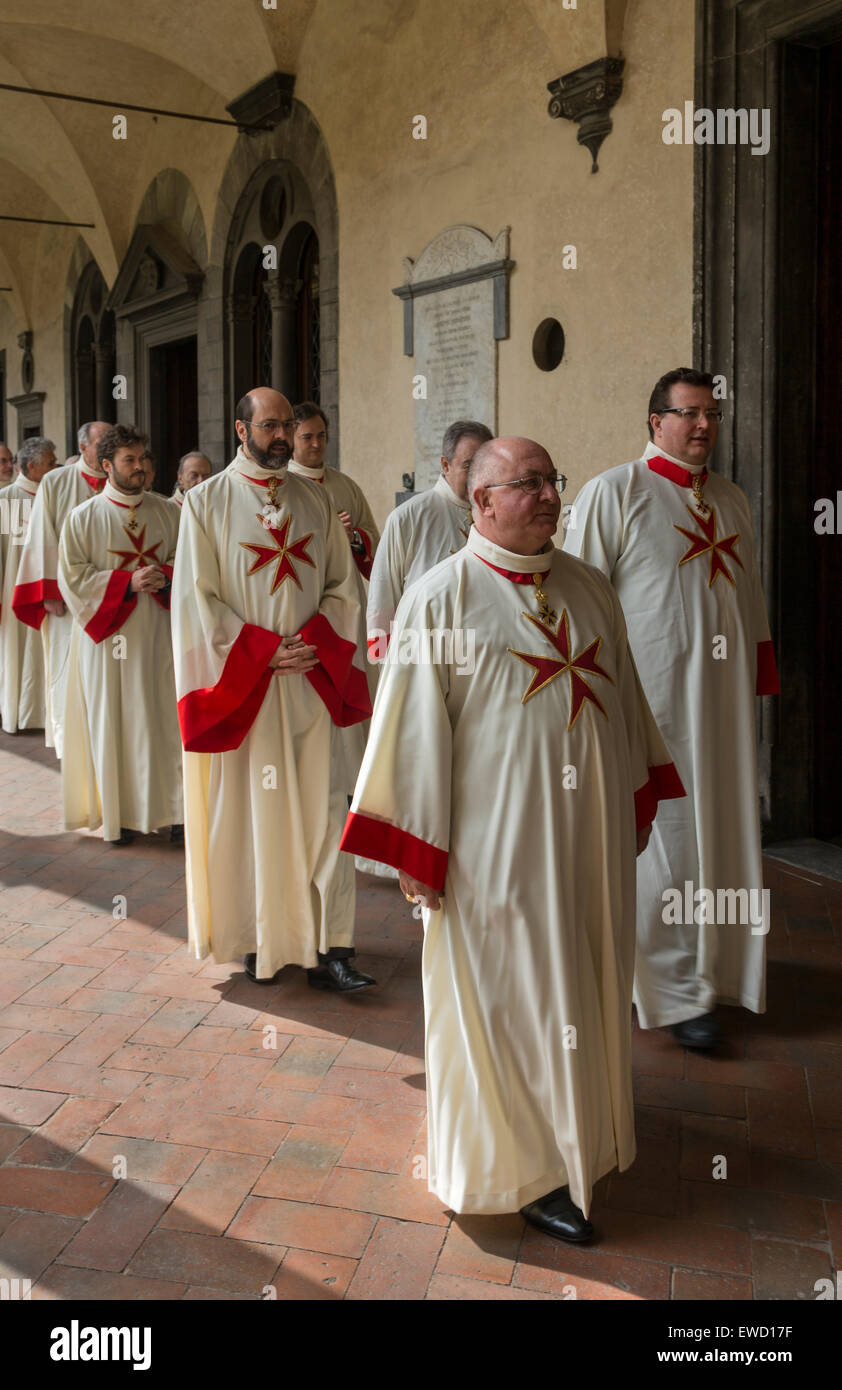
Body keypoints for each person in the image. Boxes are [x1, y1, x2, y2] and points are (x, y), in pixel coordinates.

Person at [341, 436, 683, 1239]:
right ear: (481, 502)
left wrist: (632, 805)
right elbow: (413, 736)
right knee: (503, 1003)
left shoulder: (591, 588)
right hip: (494, 855)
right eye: (527, 484)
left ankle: (582, 1139)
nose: (548, 495)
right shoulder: (440, 598)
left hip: (587, 843)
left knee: (583, 984)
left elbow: (626, 705)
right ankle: (520, 1170)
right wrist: (421, 858)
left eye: (551, 482)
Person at [564, 368, 779, 1049]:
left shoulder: (733, 500)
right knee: (666, 840)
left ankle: (721, 966)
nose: (702, 425)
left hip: (721, 707)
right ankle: (673, 989)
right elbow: (579, 599)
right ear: (655, 421)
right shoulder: (614, 492)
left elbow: (748, 601)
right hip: (650, 706)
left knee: (723, 828)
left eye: (711, 413)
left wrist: (758, 676)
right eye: (686, 413)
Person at [171, 387, 375, 991]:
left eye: (288, 425)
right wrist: (260, 653)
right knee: (259, 817)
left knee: (323, 811)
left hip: (310, 678)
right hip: (249, 692)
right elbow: (194, 601)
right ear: (241, 430)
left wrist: (315, 642)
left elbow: (345, 588)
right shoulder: (204, 504)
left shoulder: (316, 500)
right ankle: (264, 938)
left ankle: (333, 945)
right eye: (270, 426)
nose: (282, 436)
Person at [57, 425, 183, 846]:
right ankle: (124, 816)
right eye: (130, 460)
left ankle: (177, 812)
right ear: (107, 465)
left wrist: (163, 575)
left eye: (143, 459)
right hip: (110, 640)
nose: (140, 467)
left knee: (168, 720)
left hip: (162, 635)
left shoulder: (169, 512)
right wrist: (126, 584)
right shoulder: (83, 517)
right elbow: (72, 579)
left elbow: (193, 565)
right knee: (118, 723)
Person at [12, 421, 110, 756]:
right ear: (83, 447)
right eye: (102, 442)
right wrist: (49, 590)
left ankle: (104, 734)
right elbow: (42, 535)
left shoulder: (120, 479)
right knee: (67, 668)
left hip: (111, 593)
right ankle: (68, 738)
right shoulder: (57, 481)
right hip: (66, 599)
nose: (109, 448)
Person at [366, 419, 492, 647]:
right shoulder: (408, 518)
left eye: (486, 465)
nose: (480, 476)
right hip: (427, 654)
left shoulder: (501, 515)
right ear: (445, 465)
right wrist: (386, 670)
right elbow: (383, 597)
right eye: (469, 466)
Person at [0, 438, 57, 733]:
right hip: (13, 591)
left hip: (49, 592)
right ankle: (17, 712)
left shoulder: (55, 496)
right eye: (50, 462)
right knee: (17, 652)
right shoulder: (6, 500)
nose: (55, 466)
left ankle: (44, 714)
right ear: (32, 466)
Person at [290, 403, 379, 579]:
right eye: (307, 437)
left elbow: (374, 539)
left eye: (321, 436)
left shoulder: (346, 486)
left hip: (346, 589)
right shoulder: (280, 485)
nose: (316, 444)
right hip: (301, 583)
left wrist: (353, 537)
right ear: (290, 439)